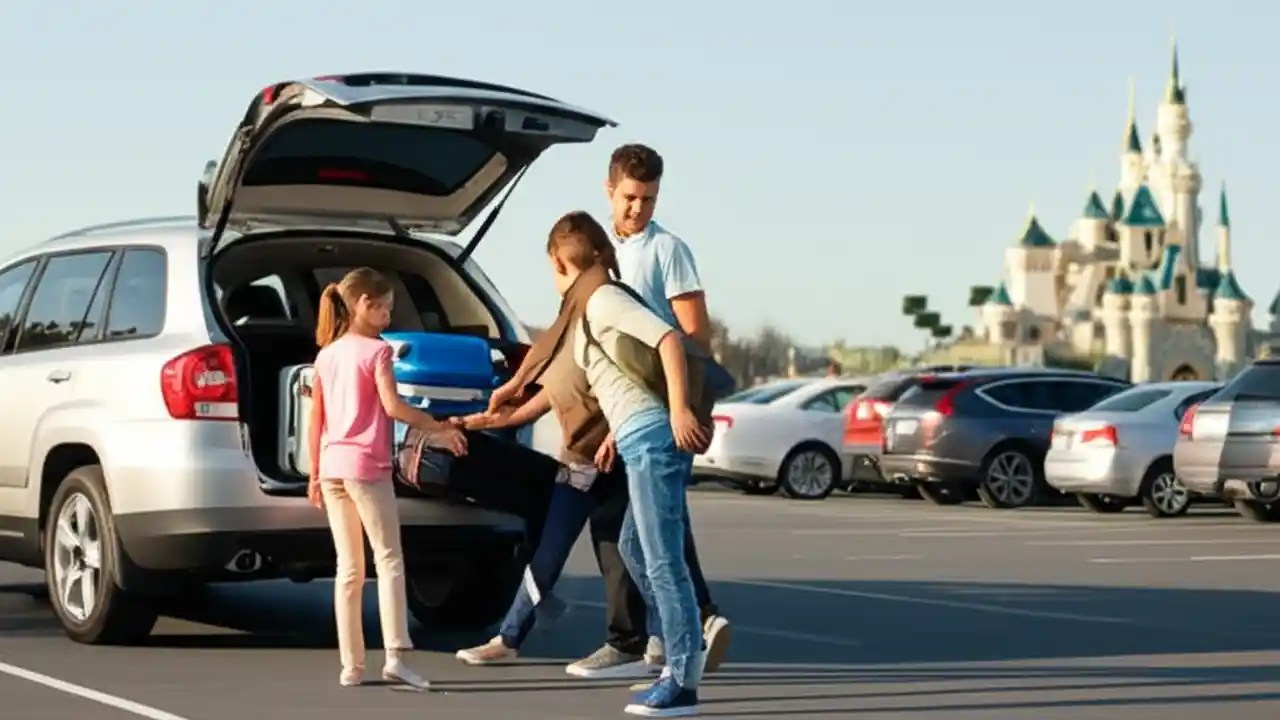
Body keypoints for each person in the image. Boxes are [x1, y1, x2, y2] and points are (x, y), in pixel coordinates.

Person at [453, 222, 653, 679]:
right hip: (582, 460)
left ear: (560, 264)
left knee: (623, 555)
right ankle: (508, 638)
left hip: (615, 453)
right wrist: (482, 419)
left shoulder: (605, 306)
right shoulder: (579, 315)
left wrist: (616, 434)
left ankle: (645, 643)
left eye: (554, 272)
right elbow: (555, 391)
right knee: (556, 548)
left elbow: (643, 378)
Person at [554, 211, 708, 716]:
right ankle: (678, 647)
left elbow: (668, 339)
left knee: (663, 560)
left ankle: (682, 678)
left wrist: (681, 409)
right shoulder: (590, 308)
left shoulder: (603, 299)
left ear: (562, 264)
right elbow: (617, 384)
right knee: (635, 550)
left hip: (655, 440)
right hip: (635, 438)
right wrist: (614, 437)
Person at [603, 143, 732, 669]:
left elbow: (696, 337)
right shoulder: (606, 258)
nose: (638, 209)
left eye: (649, 199)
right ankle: (675, 639)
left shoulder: (667, 251)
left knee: (656, 544)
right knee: (644, 544)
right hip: (633, 414)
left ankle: (685, 646)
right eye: (631, 198)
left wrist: (677, 399)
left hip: (668, 414)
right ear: (609, 190)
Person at [307, 267, 468, 689]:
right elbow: (394, 407)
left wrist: (313, 474)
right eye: (385, 309)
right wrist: (439, 427)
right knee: (390, 558)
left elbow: (315, 420)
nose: (388, 318)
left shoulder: (326, 355)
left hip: (332, 468)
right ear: (364, 304)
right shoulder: (377, 353)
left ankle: (352, 666)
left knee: (348, 569)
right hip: (366, 468)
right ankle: (395, 655)